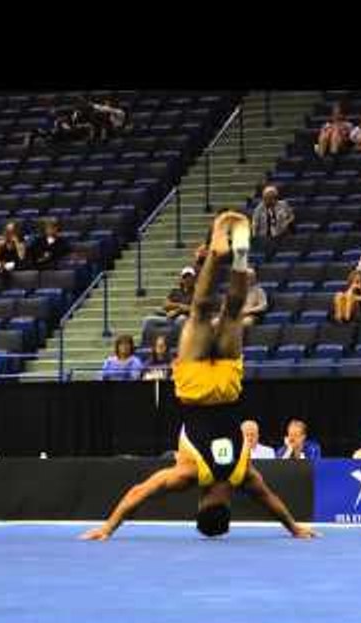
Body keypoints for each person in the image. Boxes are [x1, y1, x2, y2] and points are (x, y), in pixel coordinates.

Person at [81, 211, 316, 540]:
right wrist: (108, 527)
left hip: (227, 386)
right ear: (201, 505)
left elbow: (271, 502)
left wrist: (294, 528)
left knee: (231, 311)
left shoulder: (241, 476)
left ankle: (239, 257)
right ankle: (215, 258)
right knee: (201, 310)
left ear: (227, 508)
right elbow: (139, 493)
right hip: (194, 387)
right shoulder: (187, 475)